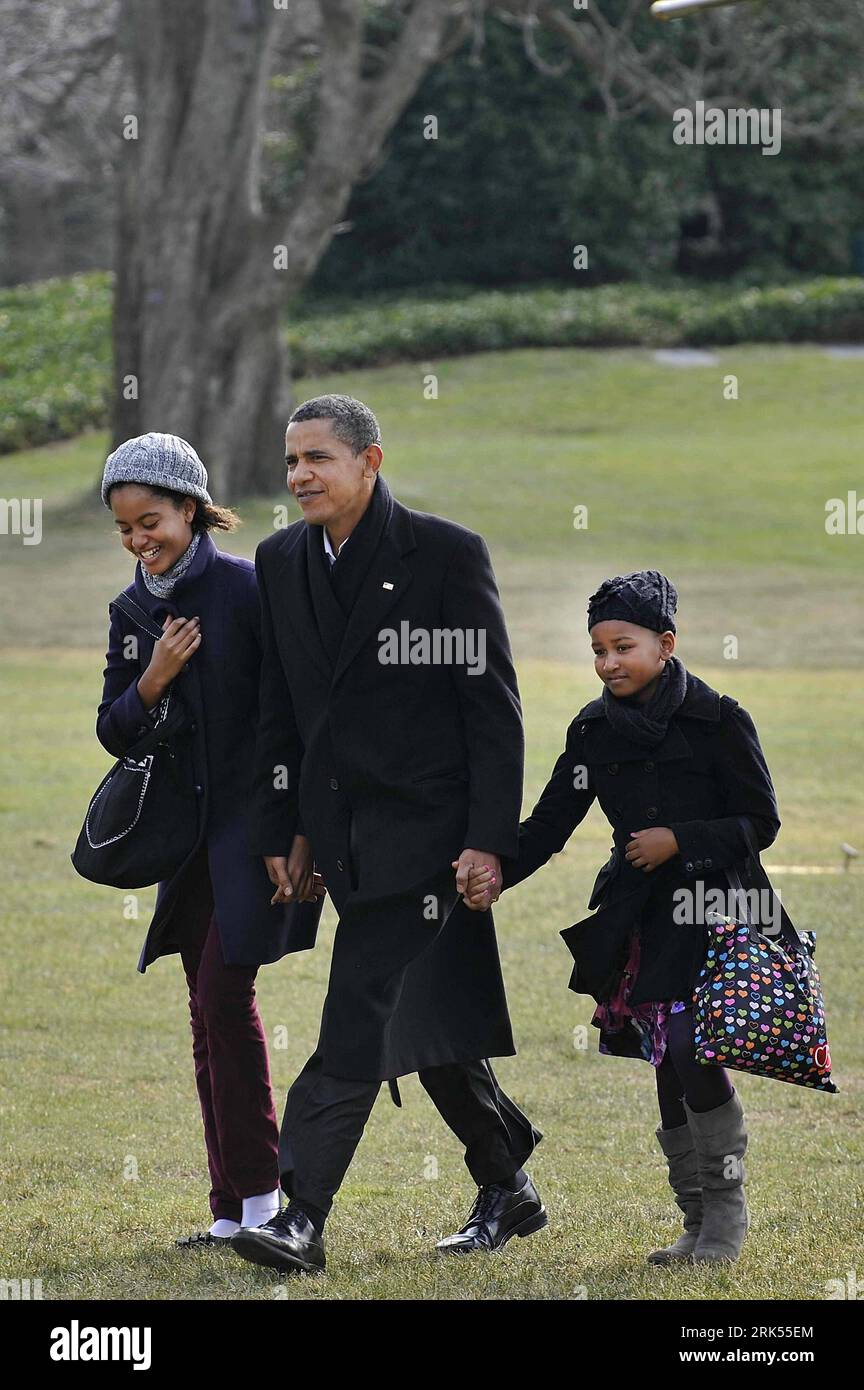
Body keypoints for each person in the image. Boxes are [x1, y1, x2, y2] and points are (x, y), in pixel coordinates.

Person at [230, 394, 545, 1276]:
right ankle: (507, 1179)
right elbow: (279, 712)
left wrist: (490, 840)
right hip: (339, 837)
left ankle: (301, 1215)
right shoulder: (280, 559)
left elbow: (493, 712)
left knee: (358, 1007)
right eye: (291, 461)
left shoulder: (446, 555)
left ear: (371, 461)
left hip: (431, 840)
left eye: (318, 459)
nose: (299, 476)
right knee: (418, 1014)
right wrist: (287, 827)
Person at [466, 569, 789, 1265]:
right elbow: (549, 826)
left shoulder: (718, 718)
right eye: (598, 650)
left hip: (717, 907)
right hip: (640, 918)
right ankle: (695, 1217)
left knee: (684, 1045)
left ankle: (725, 1214)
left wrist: (680, 839)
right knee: (667, 1061)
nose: (608, 663)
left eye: (623, 647)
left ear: (665, 644)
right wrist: (494, 871)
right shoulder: (592, 731)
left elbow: (760, 821)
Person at [97, 433, 322, 1248]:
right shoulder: (131, 611)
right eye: (124, 529)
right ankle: (229, 1211)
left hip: (259, 835)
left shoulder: (251, 590)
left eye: (150, 520)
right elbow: (113, 731)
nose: (138, 540)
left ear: (191, 509)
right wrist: (152, 677)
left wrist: (299, 832)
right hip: (184, 849)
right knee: (204, 1015)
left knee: (224, 1000)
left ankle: (263, 1202)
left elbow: (299, 716)